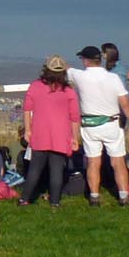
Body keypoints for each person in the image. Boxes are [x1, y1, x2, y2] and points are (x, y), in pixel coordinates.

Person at [70, 45, 129, 207]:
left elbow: (66, 69)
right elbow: (125, 103)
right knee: (118, 162)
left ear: (86, 61)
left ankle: (94, 197)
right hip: (111, 123)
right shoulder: (113, 78)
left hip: (90, 124)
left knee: (93, 162)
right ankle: (124, 196)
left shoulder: (80, 76)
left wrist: (54, 60)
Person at [19, 55, 80, 208]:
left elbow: (27, 109)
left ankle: (24, 199)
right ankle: (55, 202)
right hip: (61, 136)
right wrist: (75, 138)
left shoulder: (35, 86)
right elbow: (74, 118)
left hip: (40, 133)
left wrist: (27, 130)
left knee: (35, 169)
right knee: (57, 170)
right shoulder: (68, 91)